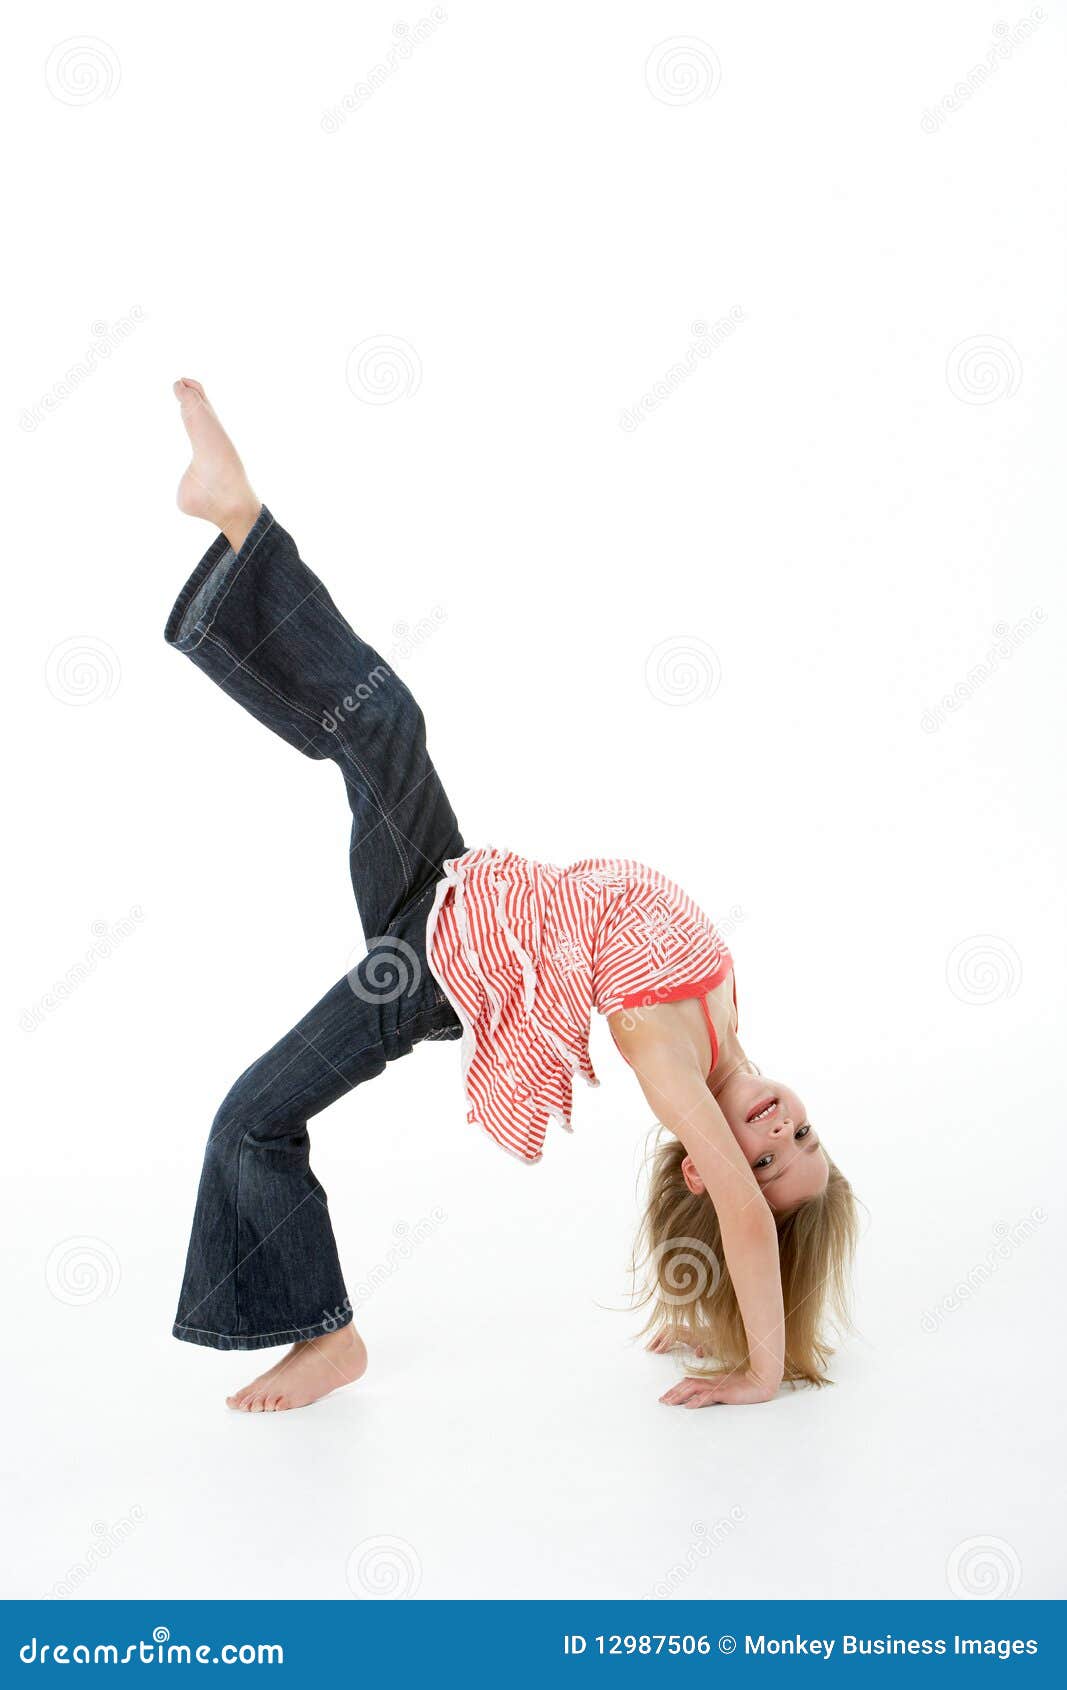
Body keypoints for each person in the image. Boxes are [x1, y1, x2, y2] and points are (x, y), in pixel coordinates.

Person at [167, 378, 857, 1414]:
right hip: (459, 890)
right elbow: (739, 1221)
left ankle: (327, 1336)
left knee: (250, 1119)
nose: (777, 1132)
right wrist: (699, 1303)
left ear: (710, 1171)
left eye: (759, 1162)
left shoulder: (668, 1061)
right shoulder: (724, 1020)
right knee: (384, 720)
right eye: (803, 1140)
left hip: (435, 970)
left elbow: (746, 1222)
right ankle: (237, 519)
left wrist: (761, 1370)